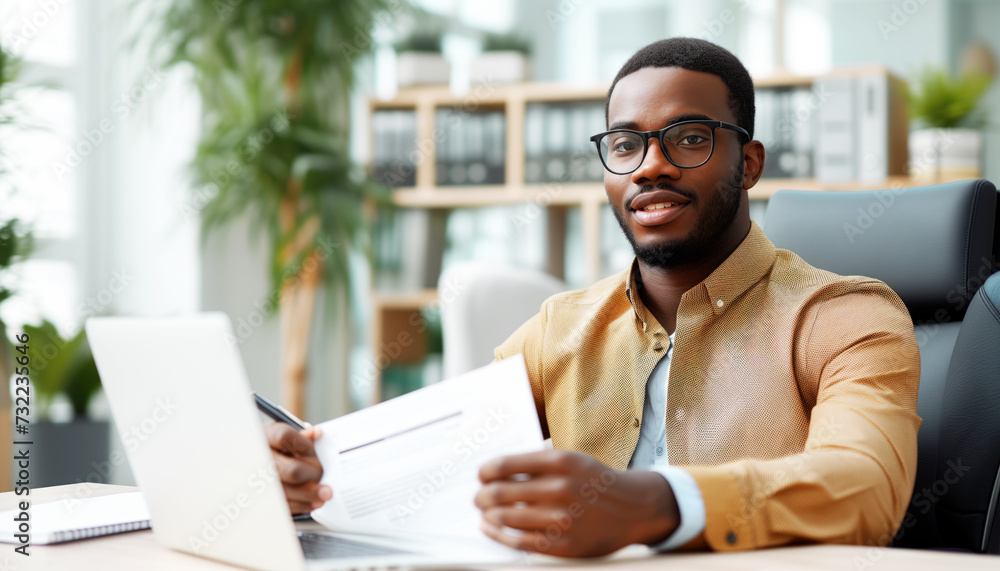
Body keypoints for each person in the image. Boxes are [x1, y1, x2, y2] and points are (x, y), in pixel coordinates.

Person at [266, 37, 920, 557]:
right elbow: (448, 459)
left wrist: (655, 502)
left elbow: (864, 487)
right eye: (625, 143)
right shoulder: (558, 329)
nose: (649, 165)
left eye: (689, 137)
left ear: (748, 163)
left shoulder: (845, 316)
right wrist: (315, 481)